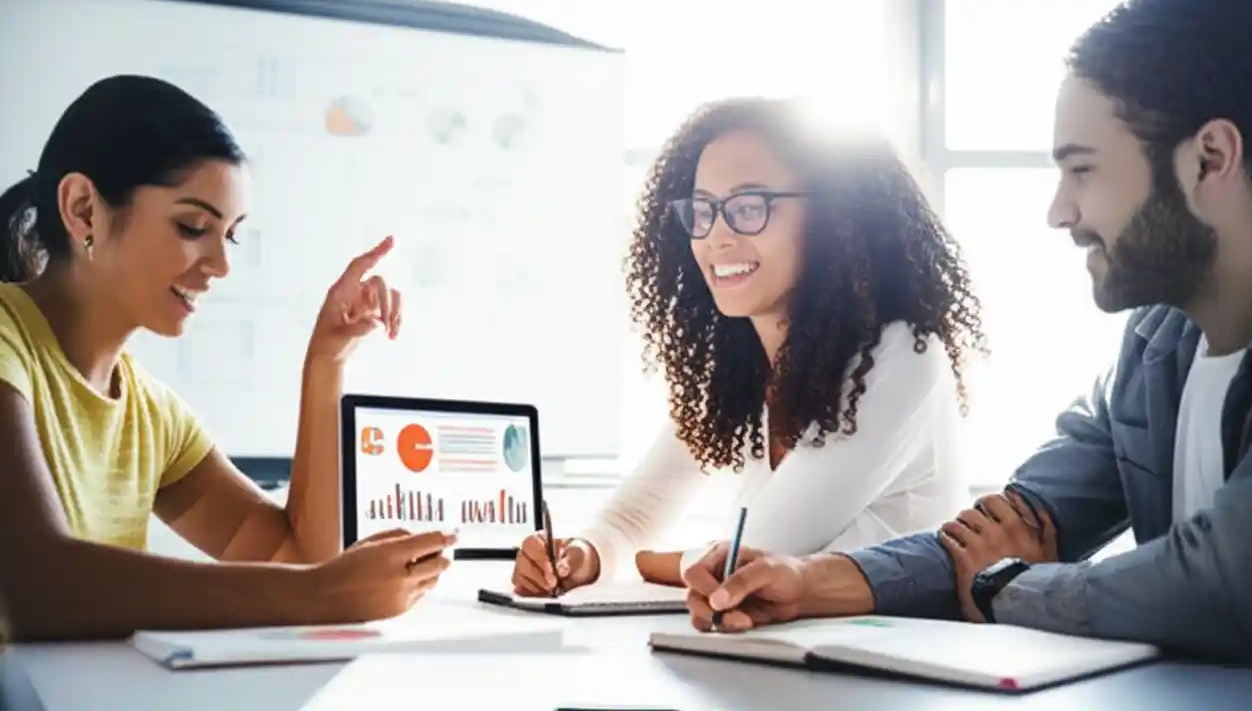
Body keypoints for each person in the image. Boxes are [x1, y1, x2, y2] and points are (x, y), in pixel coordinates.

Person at [681, 0, 1252, 661]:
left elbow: (1226, 579)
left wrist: (1012, 589)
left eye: (1083, 169)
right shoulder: (1152, 348)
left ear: (1210, 159)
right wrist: (804, 580)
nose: (1061, 211)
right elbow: (1000, 533)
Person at [0, 75, 454, 641]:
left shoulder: (152, 417)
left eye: (230, 236)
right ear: (84, 209)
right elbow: (37, 587)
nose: (220, 265)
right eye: (192, 227)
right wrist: (322, 593)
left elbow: (295, 559)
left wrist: (326, 364)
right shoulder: (8, 340)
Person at [511, 97, 986, 595]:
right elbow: (633, 518)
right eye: (702, 210)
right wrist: (579, 557)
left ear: (834, 217)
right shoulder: (739, 370)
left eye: (748, 208)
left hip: (899, 661)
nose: (716, 235)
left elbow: (762, 553)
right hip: (782, 657)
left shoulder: (902, 354)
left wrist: (646, 561)